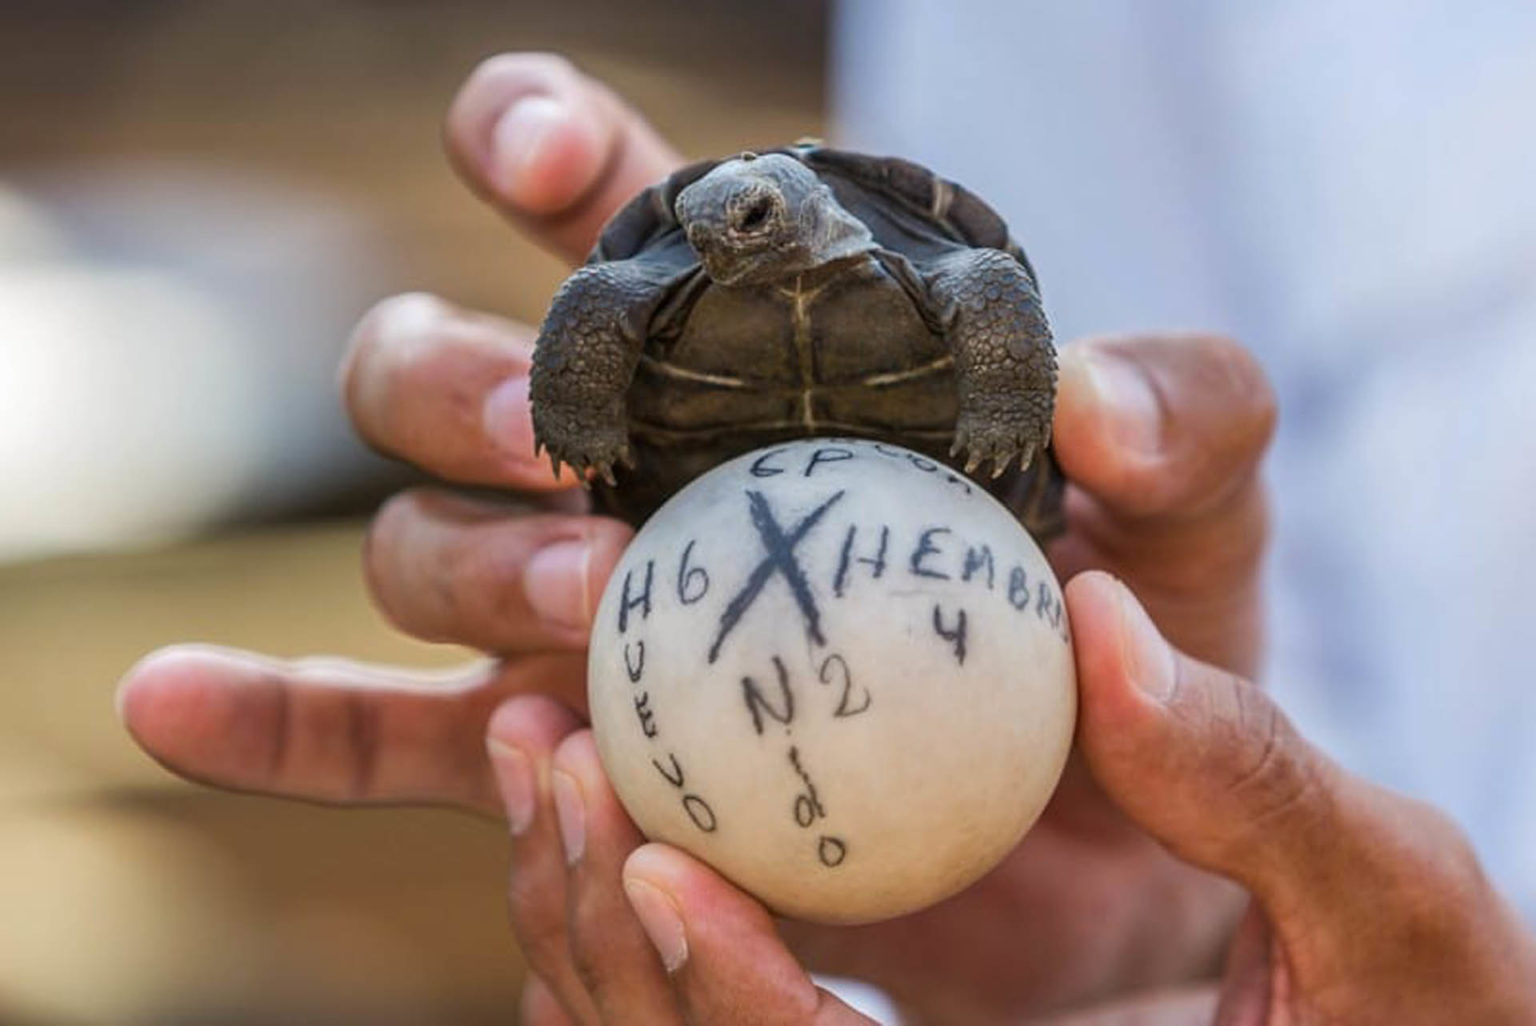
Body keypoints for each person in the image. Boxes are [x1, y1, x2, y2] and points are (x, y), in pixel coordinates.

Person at [116, 51, 1536, 1024]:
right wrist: (553, 405)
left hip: (944, 491)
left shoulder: (942, 265)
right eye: (703, 221)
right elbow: (607, 309)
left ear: (800, 216)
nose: (721, 233)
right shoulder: (680, 261)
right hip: (731, 497)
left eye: (744, 213)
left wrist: (1010, 410)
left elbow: (992, 279)